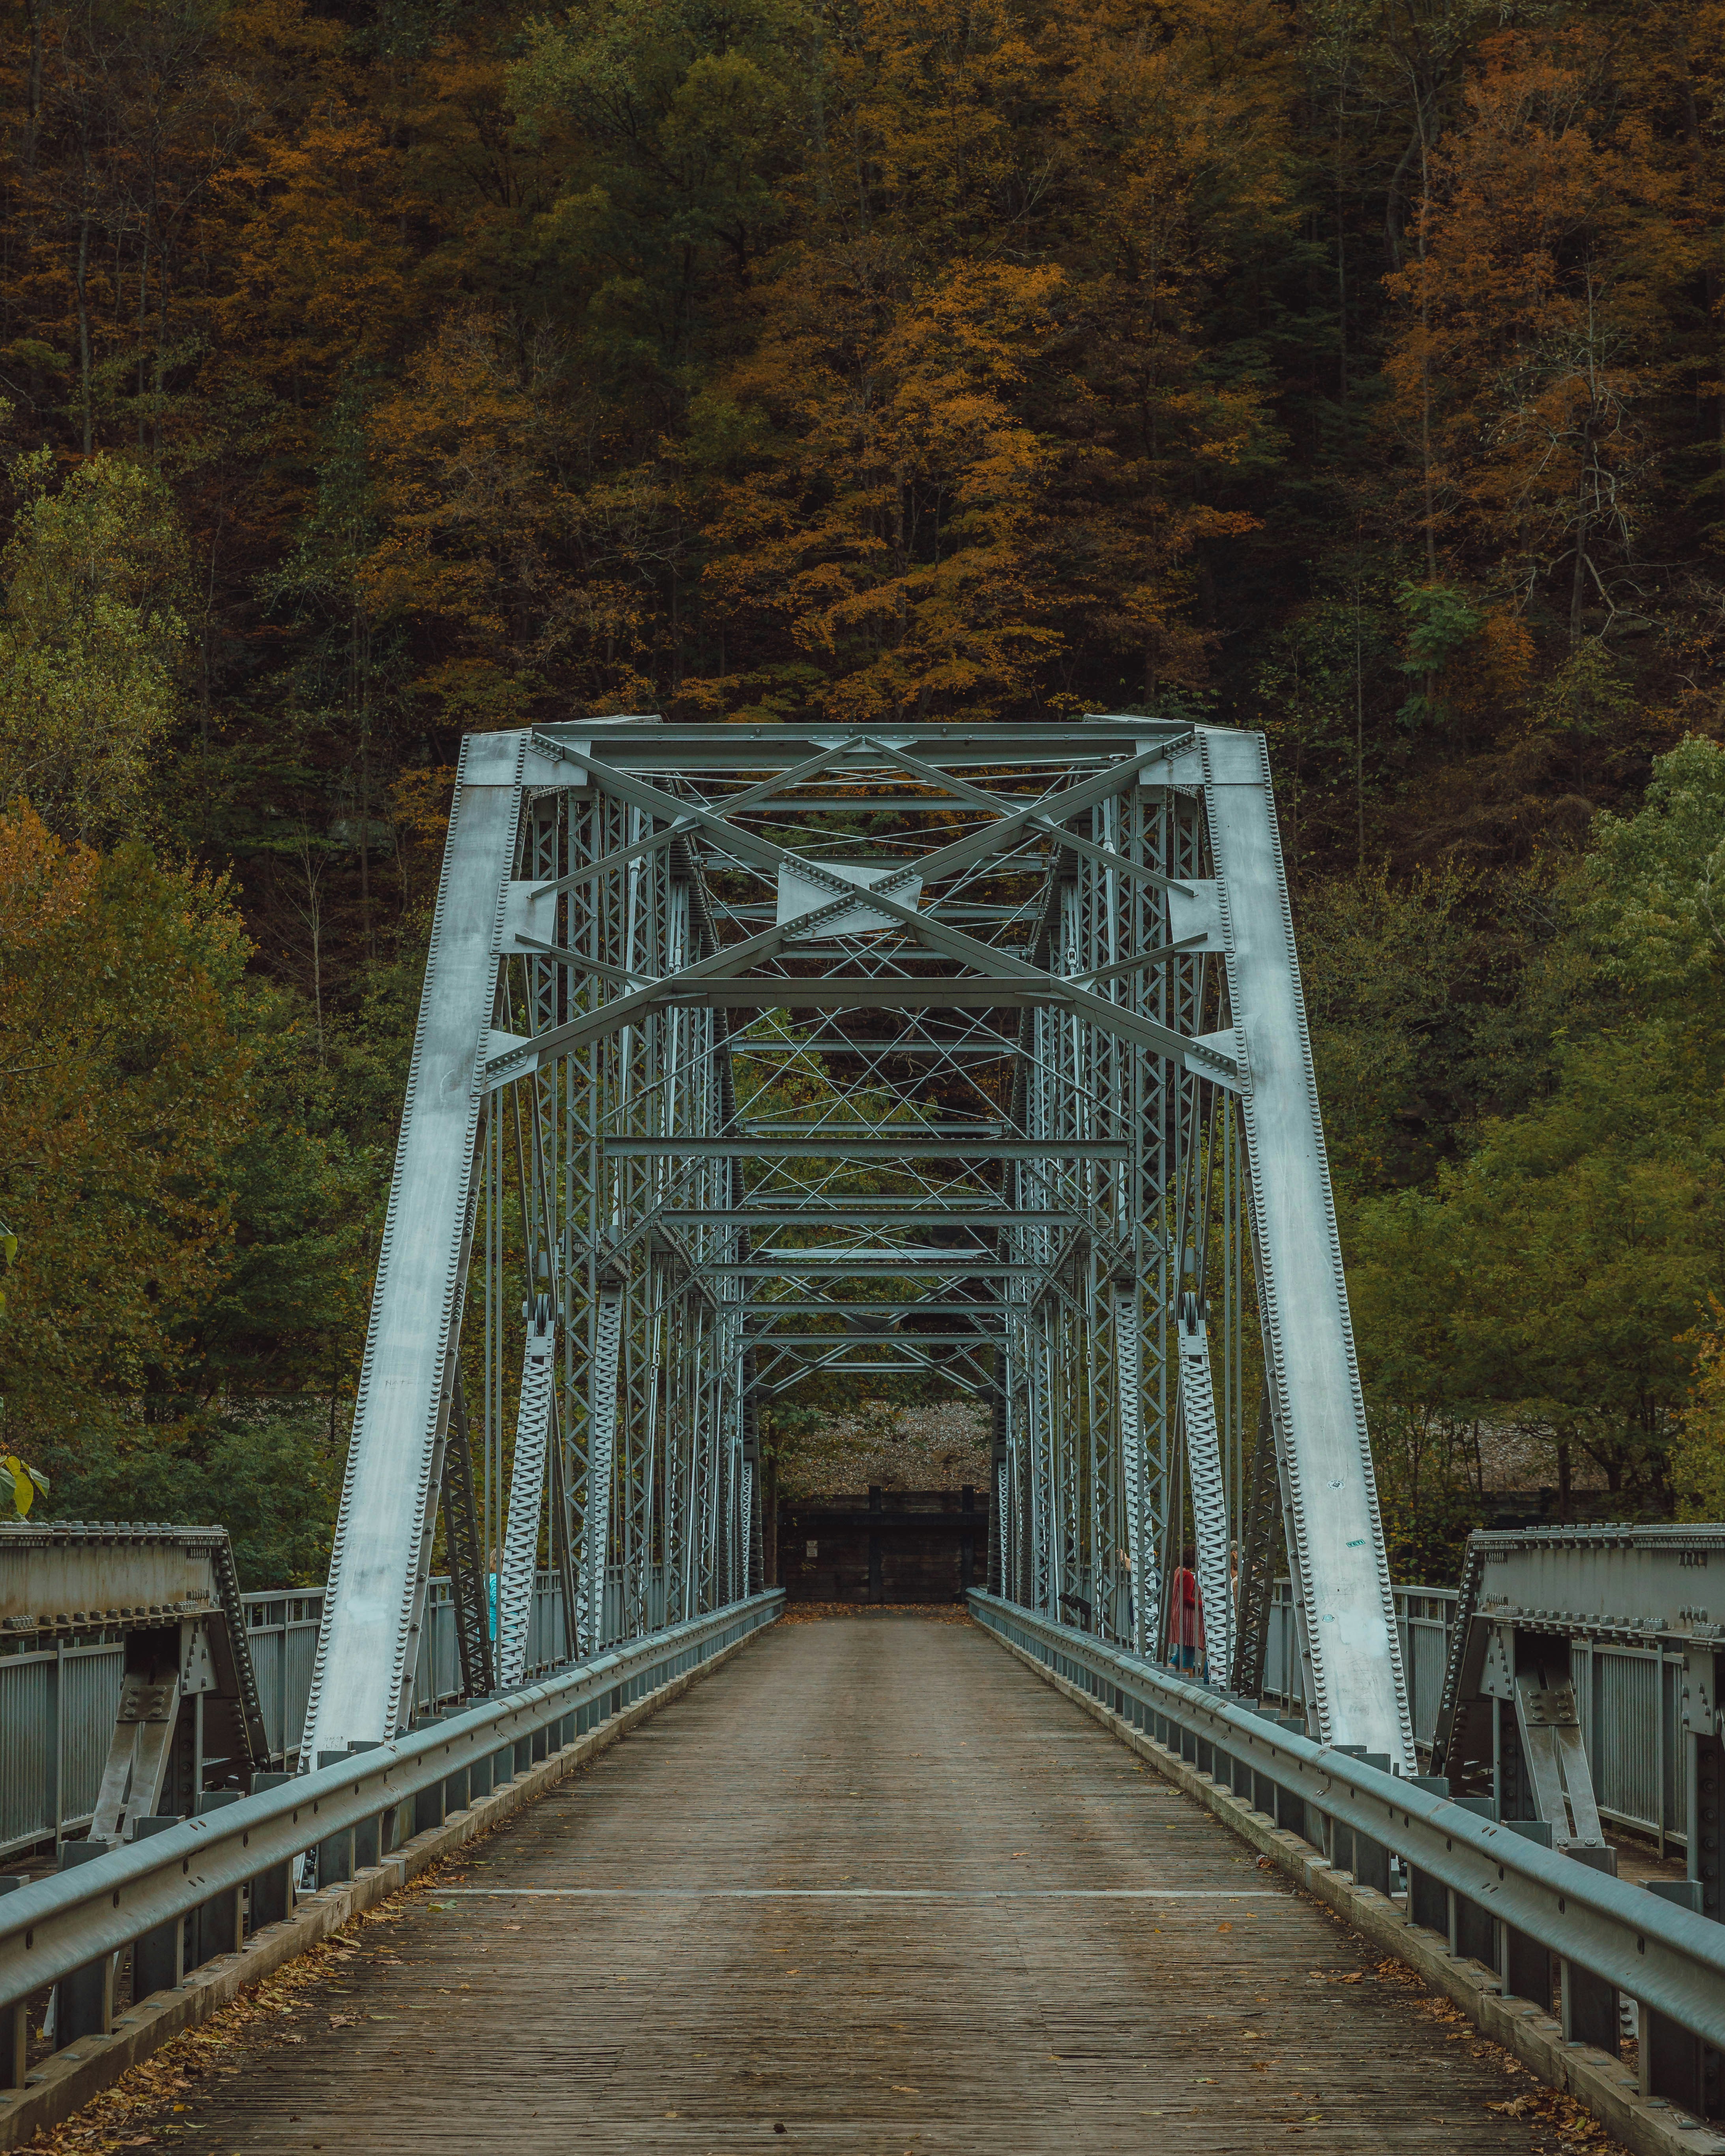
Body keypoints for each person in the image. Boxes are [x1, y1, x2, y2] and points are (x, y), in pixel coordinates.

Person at [1168, 1546, 1203, 1672]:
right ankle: (1187, 1680)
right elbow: (1187, 1599)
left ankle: (1168, 1675)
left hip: (1178, 1615)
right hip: (1186, 1619)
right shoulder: (1187, 1575)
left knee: (1181, 1653)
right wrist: (1203, 1605)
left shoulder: (1178, 1571)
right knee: (1188, 1652)